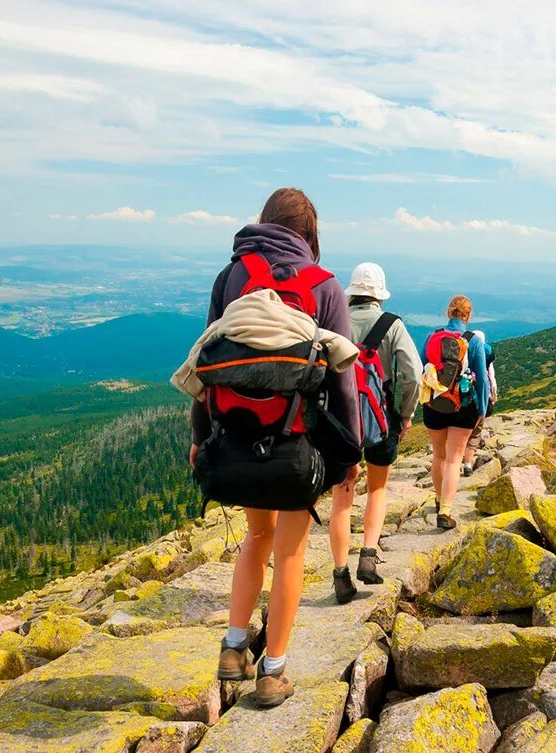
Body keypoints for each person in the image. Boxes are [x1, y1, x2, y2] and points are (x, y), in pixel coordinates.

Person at [188, 187, 359, 707]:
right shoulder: (325, 287)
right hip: (297, 446)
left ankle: (235, 644)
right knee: (290, 551)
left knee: (255, 538)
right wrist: (348, 455)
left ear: (265, 223)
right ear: (311, 237)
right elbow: (344, 381)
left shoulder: (232, 276)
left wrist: (200, 439)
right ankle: (274, 671)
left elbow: (205, 359)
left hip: (238, 435)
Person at [328, 262, 422, 603]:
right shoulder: (391, 325)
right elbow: (411, 373)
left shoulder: (334, 320)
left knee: (343, 494)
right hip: (381, 419)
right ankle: (368, 555)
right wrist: (405, 414)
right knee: (378, 488)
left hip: (340, 423)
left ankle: (341, 575)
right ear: (380, 295)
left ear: (352, 291)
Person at [420, 295, 490, 529]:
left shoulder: (433, 337)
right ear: (468, 316)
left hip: (434, 404)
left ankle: (439, 501)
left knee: (438, 455)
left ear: (448, 313)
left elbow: (422, 368)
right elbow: (482, 379)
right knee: (454, 459)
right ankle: (446, 511)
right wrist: (481, 409)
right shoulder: (474, 341)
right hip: (464, 407)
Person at [462, 330, 497, 476]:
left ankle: (453, 461)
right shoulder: (485, 356)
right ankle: (468, 464)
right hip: (479, 400)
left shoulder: (462, 351)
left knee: (459, 431)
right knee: (475, 433)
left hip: (461, 397)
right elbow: (489, 379)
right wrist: (492, 396)